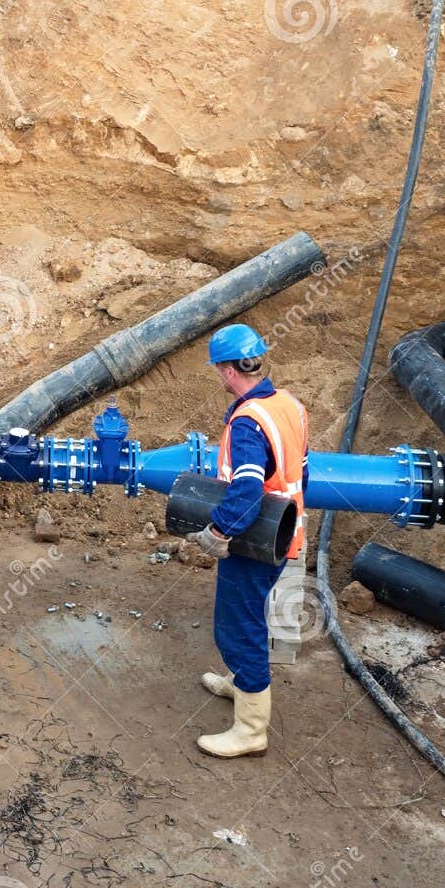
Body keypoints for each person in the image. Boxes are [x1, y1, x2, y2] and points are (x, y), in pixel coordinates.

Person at [186, 324, 309, 759]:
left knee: (239, 627)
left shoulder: (247, 422)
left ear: (227, 369)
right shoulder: (288, 404)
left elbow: (247, 489)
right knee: (247, 615)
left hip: (253, 541)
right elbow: (302, 472)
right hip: (281, 533)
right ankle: (240, 683)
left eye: (217, 369)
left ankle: (251, 730)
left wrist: (219, 531)